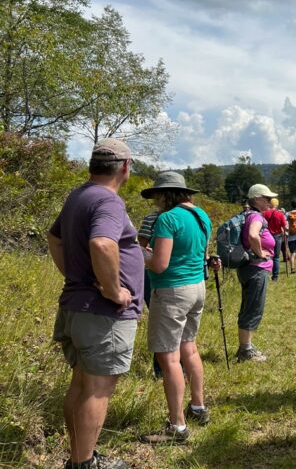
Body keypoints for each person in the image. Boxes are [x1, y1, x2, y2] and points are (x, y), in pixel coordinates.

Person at [47, 138, 143, 469]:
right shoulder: (108, 200)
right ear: (125, 167)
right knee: (97, 390)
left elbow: (54, 239)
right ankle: (84, 463)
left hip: (79, 306)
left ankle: (79, 459)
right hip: (102, 313)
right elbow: (102, 244)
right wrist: (114, 290)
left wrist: (75, 276)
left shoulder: (79, 195)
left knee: (81, 385)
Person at [137, 171, 218, 444]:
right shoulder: (201, 215)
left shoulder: (167, 219)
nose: (156, 202)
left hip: (171, 291)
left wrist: (136, 251)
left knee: (169, 358)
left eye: (157, 196)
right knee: (189, 347)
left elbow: (160, 264)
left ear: (165, 195)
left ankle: (177, 426)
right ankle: (198, 406)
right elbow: (200, 254)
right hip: (197, 287)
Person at [236, 184, 278, 362]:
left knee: (248, 306)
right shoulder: (256, 217)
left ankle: (245, 346)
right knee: (253, 308)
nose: (270, 201)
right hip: (256, 268)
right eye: (266, 198)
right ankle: (246, 350)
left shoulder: (248, 215)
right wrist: (260, 253)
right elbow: (253, 235)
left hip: (248, 268)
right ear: (257, 199)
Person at [137, 209, 162, 378]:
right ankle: (164, 370)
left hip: (156, 274)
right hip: (153, 275)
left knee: (162, 322)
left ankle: (165, 370)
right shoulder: (195, 215)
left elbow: (140, 247)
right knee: (163, 322)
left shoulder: (152, 218)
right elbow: (140, 246)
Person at [262, 197, 287, 281]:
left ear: (270, 204)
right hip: (277, 236)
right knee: (276, 257)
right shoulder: (280, 214)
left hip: (267, 236)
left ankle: (265, 274)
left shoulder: (264, 213)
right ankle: (275, 276)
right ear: (277, 205)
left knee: (266, 255)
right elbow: (285, 227)